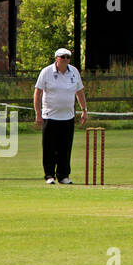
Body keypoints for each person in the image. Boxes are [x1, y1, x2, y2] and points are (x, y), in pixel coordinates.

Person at [32, 48, 87, 185]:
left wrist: (84, 110)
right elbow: (37, 93)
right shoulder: (46, 72)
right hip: (50, 116)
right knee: (49, 148)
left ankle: (63, 175)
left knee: (65, 148)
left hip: (68, 117)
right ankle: (49, 175)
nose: (66, 60)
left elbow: (79, 92)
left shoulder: (74, 72)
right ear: (56, 58)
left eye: (68, 57)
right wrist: (38, 113)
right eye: (63, 57)